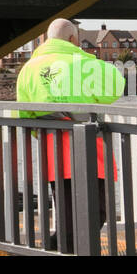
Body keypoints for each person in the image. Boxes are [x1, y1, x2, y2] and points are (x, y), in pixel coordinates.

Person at [16, 18, 126, 252]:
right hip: (89, 149)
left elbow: (24, 112)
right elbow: (115, 88)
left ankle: (59, 246)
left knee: (66, 211)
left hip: (53, 150)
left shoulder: (29, 69)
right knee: (98, 210)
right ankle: (65, 248)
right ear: (73, 39)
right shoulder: (85, 64)